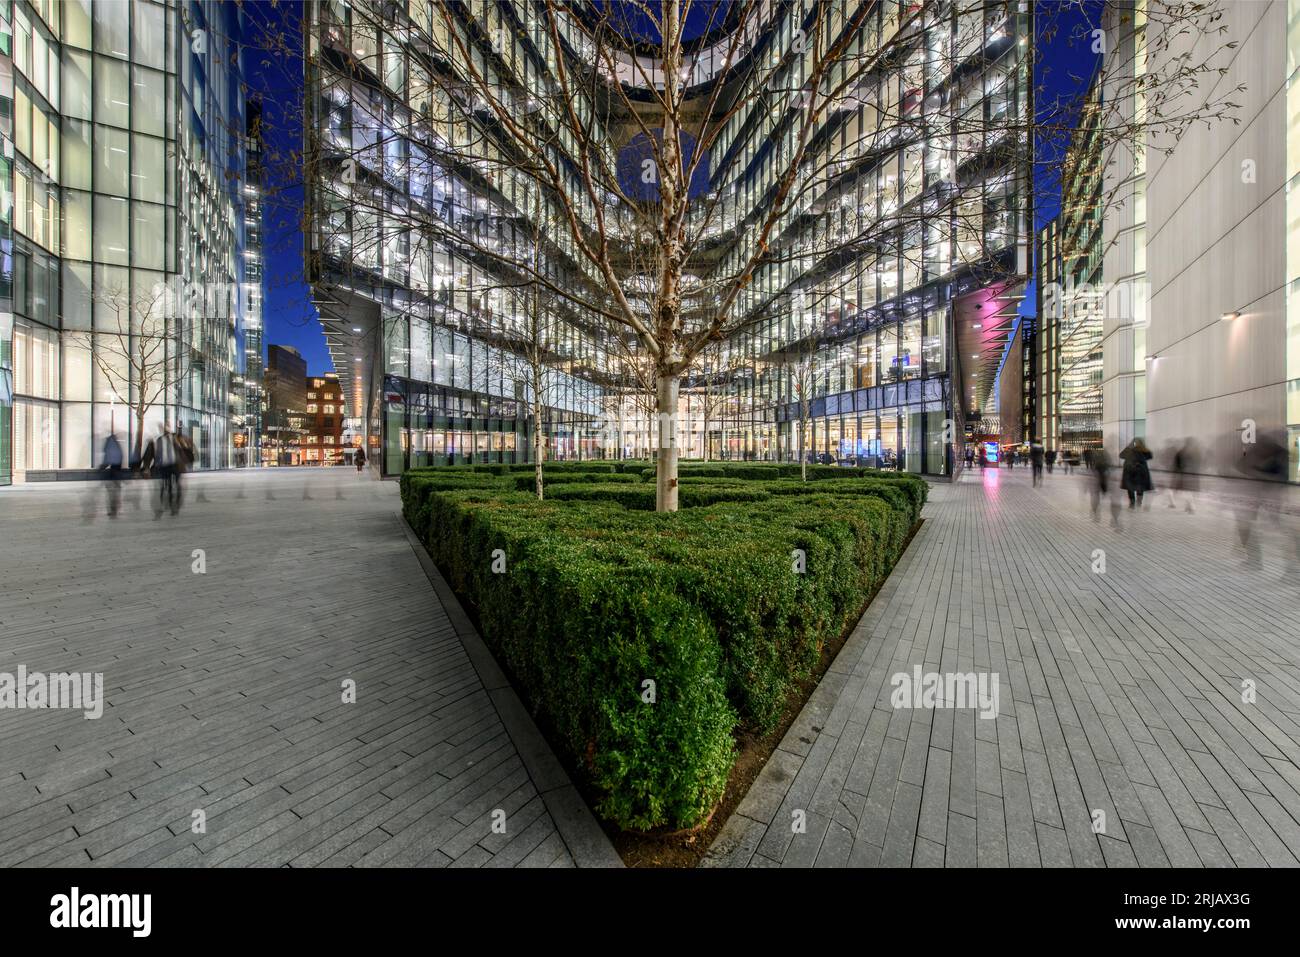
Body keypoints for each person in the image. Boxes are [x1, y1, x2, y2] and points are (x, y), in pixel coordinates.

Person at [1120, 438, 1154, 508]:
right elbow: (1150, 456)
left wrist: (1129, 446)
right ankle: (1138, 503)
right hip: (1140, 472)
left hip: (1131, 472)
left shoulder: (1130, 450)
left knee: (1131, 487)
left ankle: (1133, 503)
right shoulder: (1144, 451)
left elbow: (1121, 455)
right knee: (1139, 487)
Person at [1168, 438, 1199, 513]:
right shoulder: (1194, 451)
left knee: (1187, 491)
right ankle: (1189, 507)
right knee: (1189, 491)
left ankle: (1191, 507)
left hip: (1184, 474)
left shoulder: (1181, 452)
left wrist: (1176, 472)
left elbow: (1177, 464)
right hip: (1192, 474)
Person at [100, 432, 124, 517]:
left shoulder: (110, 447)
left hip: (113, 473)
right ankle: (116, 509)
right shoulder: (117, 447)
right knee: (115, 491)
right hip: (116, 473)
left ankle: (114, 510)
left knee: (112, 493)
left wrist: (102, 467)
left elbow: (108, 459)